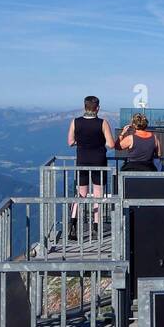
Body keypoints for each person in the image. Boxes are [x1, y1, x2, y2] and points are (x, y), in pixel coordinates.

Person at [67, 95, 115, 234]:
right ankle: (96, 225)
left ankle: (73, 222)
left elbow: (70, 142)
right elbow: (111, 144)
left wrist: (81, 142)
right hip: (98, 161)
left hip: (82, 160)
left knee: (80, 194)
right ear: (97, 108)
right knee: (98, 194)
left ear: (84, 107)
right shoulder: (103, 123)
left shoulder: (75, 122)